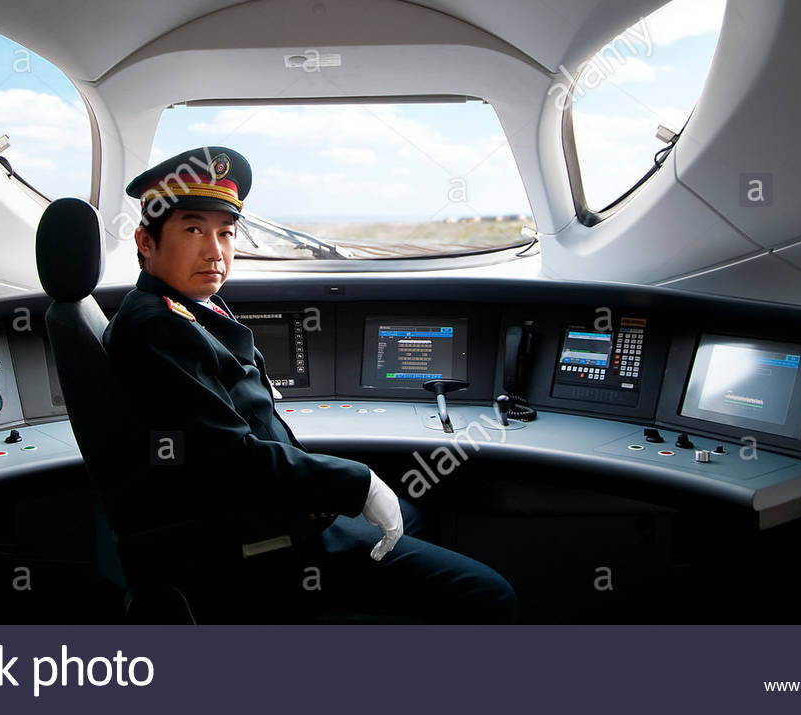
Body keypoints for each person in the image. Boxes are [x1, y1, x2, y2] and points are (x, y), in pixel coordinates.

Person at [101, 145, 517, 623]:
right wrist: (357, 483)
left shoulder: (187, 307)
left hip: (266, 507)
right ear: (145, 241)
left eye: (226, 233)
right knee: (492, 595)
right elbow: (231, 461)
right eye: (193, 229)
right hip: (263, 541)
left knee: (418, 515)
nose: (215, 251)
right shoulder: (157, 328)